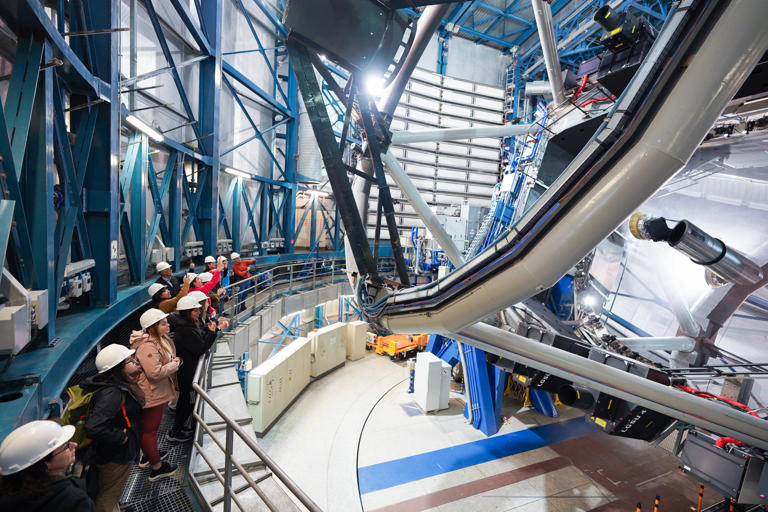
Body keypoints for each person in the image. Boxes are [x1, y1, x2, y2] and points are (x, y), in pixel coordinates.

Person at [82, 344, 143, 512]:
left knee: (111, 493)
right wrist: (121, 437)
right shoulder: (112, 394)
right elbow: (94, 426)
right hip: (115, 456)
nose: (134, 362)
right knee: (108, 496)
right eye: (129, 361)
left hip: (113, 452)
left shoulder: (113, 385)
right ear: (118, 368)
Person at [166, 296, 226, 441]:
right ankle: (175, 431)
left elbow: (198, 338)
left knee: (186, 402)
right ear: (188, 312)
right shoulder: (185, 330)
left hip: (188, 371)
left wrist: (212, 329)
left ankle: (179, 428)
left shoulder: (186, 326)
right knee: (186, 403)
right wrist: (213, 332)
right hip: (188, 374)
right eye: (195, 310)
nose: (198, 312)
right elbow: (200, 347)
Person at [0, 420, 93, 511]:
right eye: (65, 446)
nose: (74, 445)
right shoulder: (75, 501)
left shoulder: (9, 492)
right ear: (45, 464)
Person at [131, 309, 180, 481]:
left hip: (157, 392)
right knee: (149, 431)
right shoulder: (147, 347)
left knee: (150, 430)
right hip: (152, 394)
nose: (168, 324)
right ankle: (156, 468)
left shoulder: (160, 340)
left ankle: (149, 455)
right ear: (152, 327)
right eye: (163, 323)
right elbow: (155, 373)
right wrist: (174, 365)